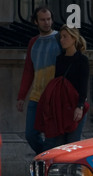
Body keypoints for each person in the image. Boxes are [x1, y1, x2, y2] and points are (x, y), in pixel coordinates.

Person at [16, 6, 62, 155]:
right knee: (30, 134)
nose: (46, 22)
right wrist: (21, 96)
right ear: (36, 22)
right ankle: (45, 158)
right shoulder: (33, 42)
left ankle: (46, 162)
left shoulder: (60, 38)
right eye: (42, 20)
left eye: (48, 19)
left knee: (51, 136)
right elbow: (28, 70)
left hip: (54, 96)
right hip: (36, 96)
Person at [39, 25, 90, 151]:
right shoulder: (60, 59)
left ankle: (74, 169)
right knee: (59, 144)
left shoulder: (82, 60)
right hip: (60, 107)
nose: (62, 40)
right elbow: (57, 84)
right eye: (61, 37)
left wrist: (79, 106)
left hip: (75, 105)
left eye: (65, 37)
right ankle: (61, 170)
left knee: (72, 143)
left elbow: (83, 85)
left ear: (74, 39)